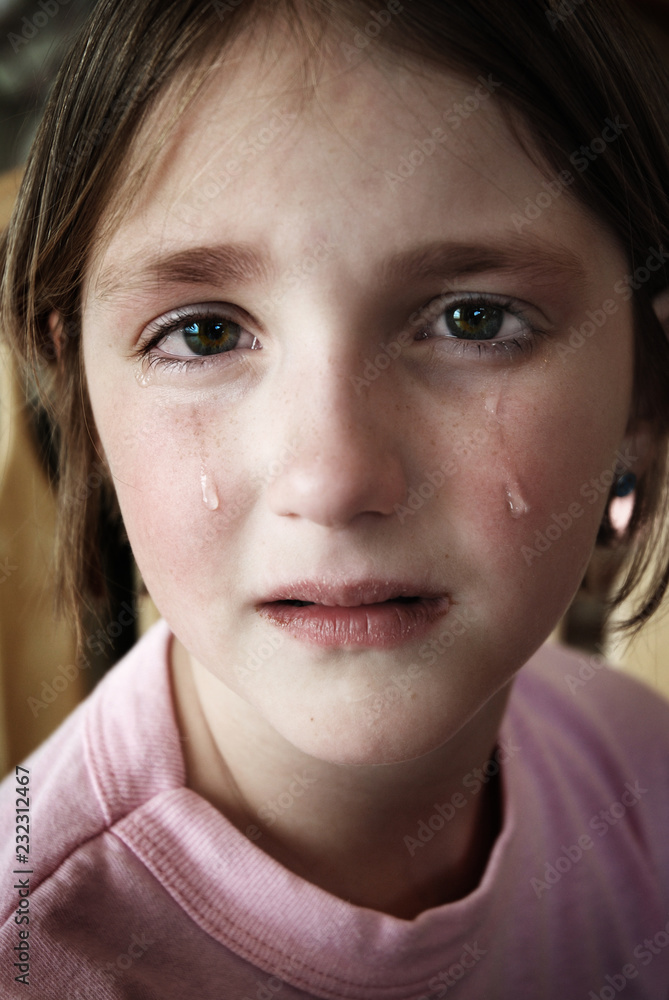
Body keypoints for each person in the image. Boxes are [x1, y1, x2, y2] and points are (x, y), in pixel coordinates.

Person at [2, 0, 669, 996]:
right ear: (82, 384)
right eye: (204, 333)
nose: (334, 479)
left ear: (647, 386)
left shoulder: (644, 778)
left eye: (472, 319)